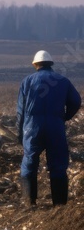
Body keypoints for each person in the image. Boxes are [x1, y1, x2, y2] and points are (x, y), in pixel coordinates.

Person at [16, 50, 81, 207]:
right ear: (51, 64)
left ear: (35, 64)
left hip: (32, 128)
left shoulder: (27, 81)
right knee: (58, 164)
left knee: (29, 162)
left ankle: (29, 202)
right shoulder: (63, 81)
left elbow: (20, 110)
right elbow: (76, 101)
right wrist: (65, 117)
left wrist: (20, 133)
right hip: (55, 127)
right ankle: (59, 204)